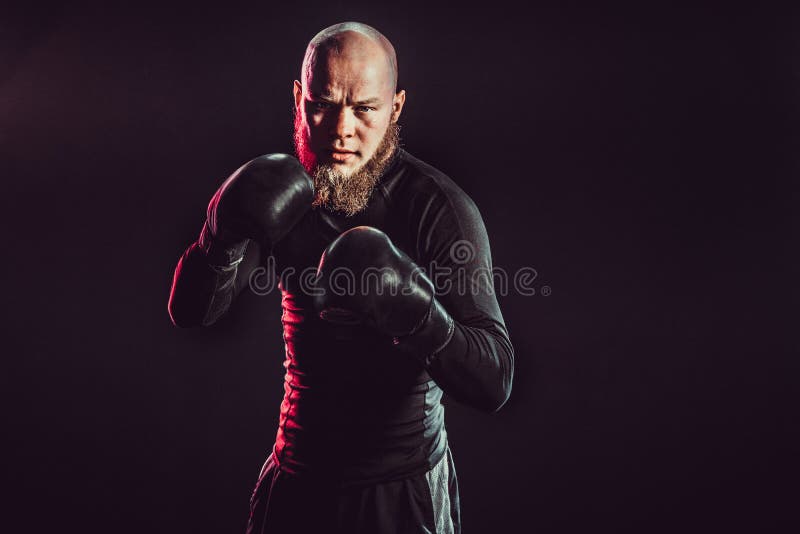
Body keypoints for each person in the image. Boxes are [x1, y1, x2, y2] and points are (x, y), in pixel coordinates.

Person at [167, 21, 514, 534]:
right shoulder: (280, 191)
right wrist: (216, 236)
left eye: (364, 109)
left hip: (401, 491)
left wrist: (414, 308)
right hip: (296, 474)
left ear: (395, 108)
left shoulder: (437, 209)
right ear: (298, 97)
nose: (340, 128)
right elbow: (193, 315)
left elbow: (495, 379)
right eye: (323, 104)